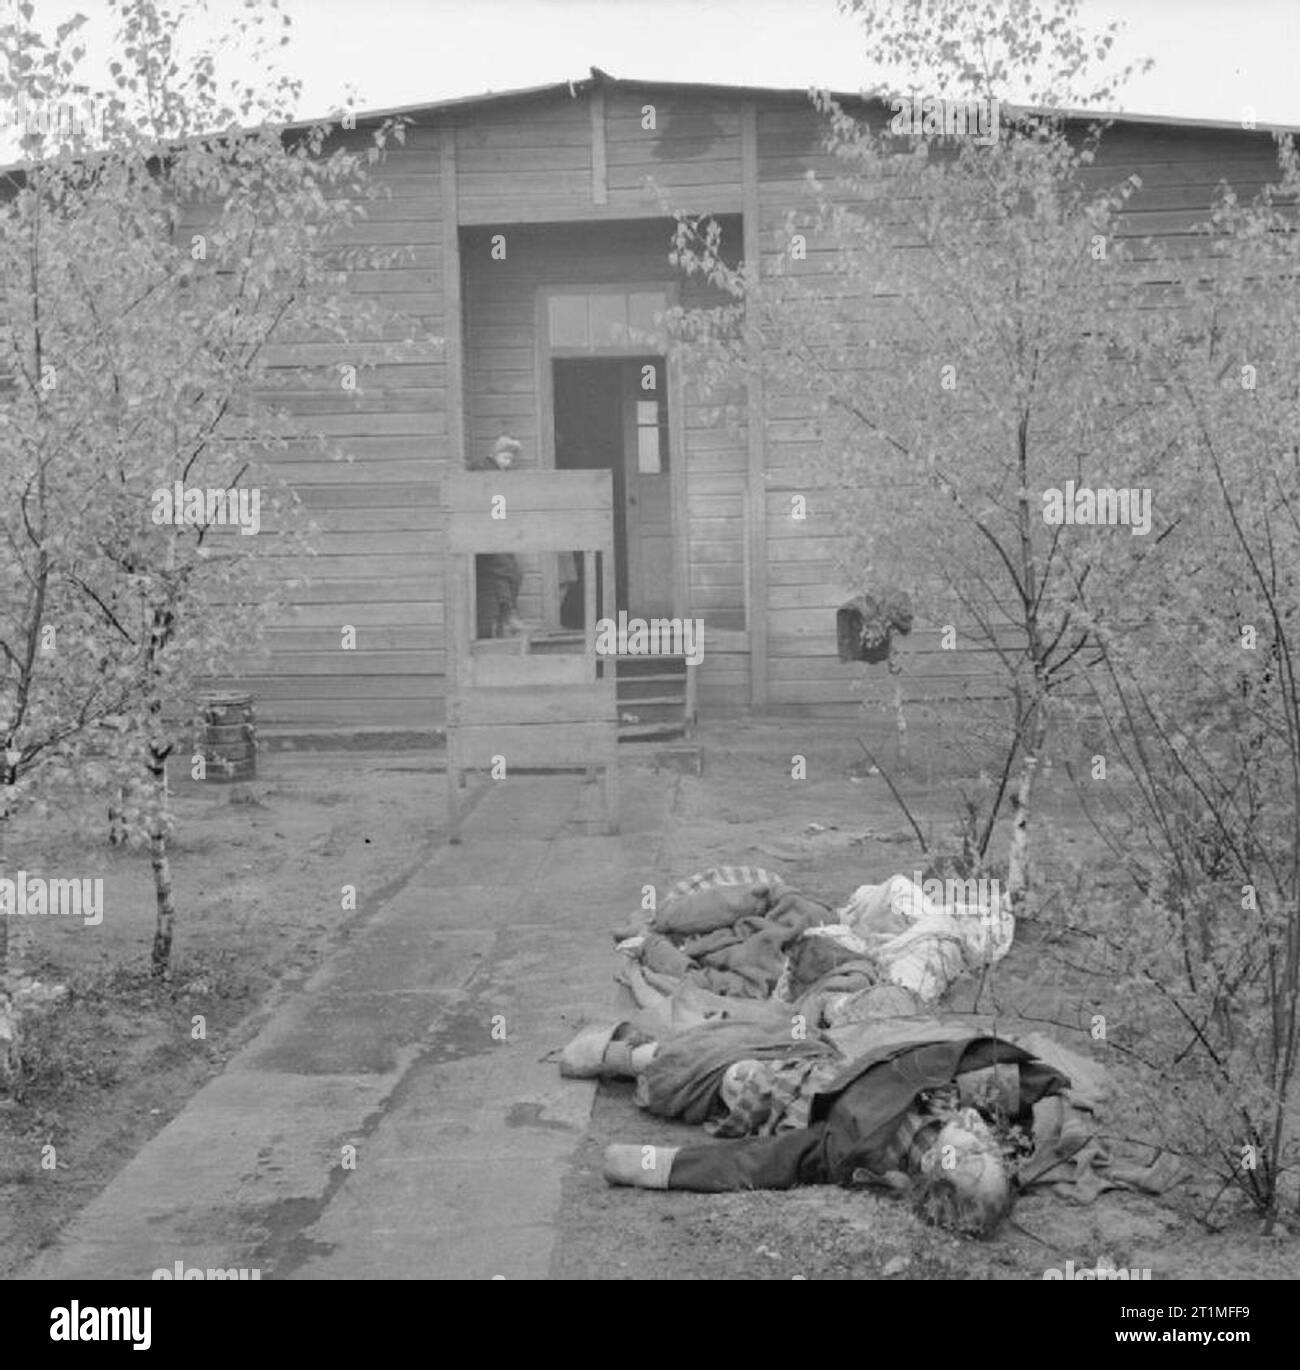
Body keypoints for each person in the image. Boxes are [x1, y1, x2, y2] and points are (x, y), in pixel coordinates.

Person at [560, 1017, 1069, 1237]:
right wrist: (1045, 1099)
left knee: (726, 1073)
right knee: (755, 1033)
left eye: (974, 1159)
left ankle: (627, 1056)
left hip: (783, 1090)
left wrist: (654, 1165)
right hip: (836, 1052)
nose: (983, 1143)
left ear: (940, 1168)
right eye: (991, 1156)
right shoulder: (961, 1113)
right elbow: (1035, 1086)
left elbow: (765, 1161)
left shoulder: (862, 1153)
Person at [469, 435, 525, 638]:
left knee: (510, 573)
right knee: (507, 572)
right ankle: (507, 615)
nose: (507, 463)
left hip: (493, 536)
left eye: (510, 459)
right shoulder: (484, 468)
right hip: (485, 537)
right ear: (496, 454)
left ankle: (507, 614)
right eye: (505, 457)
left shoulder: (493, 472)